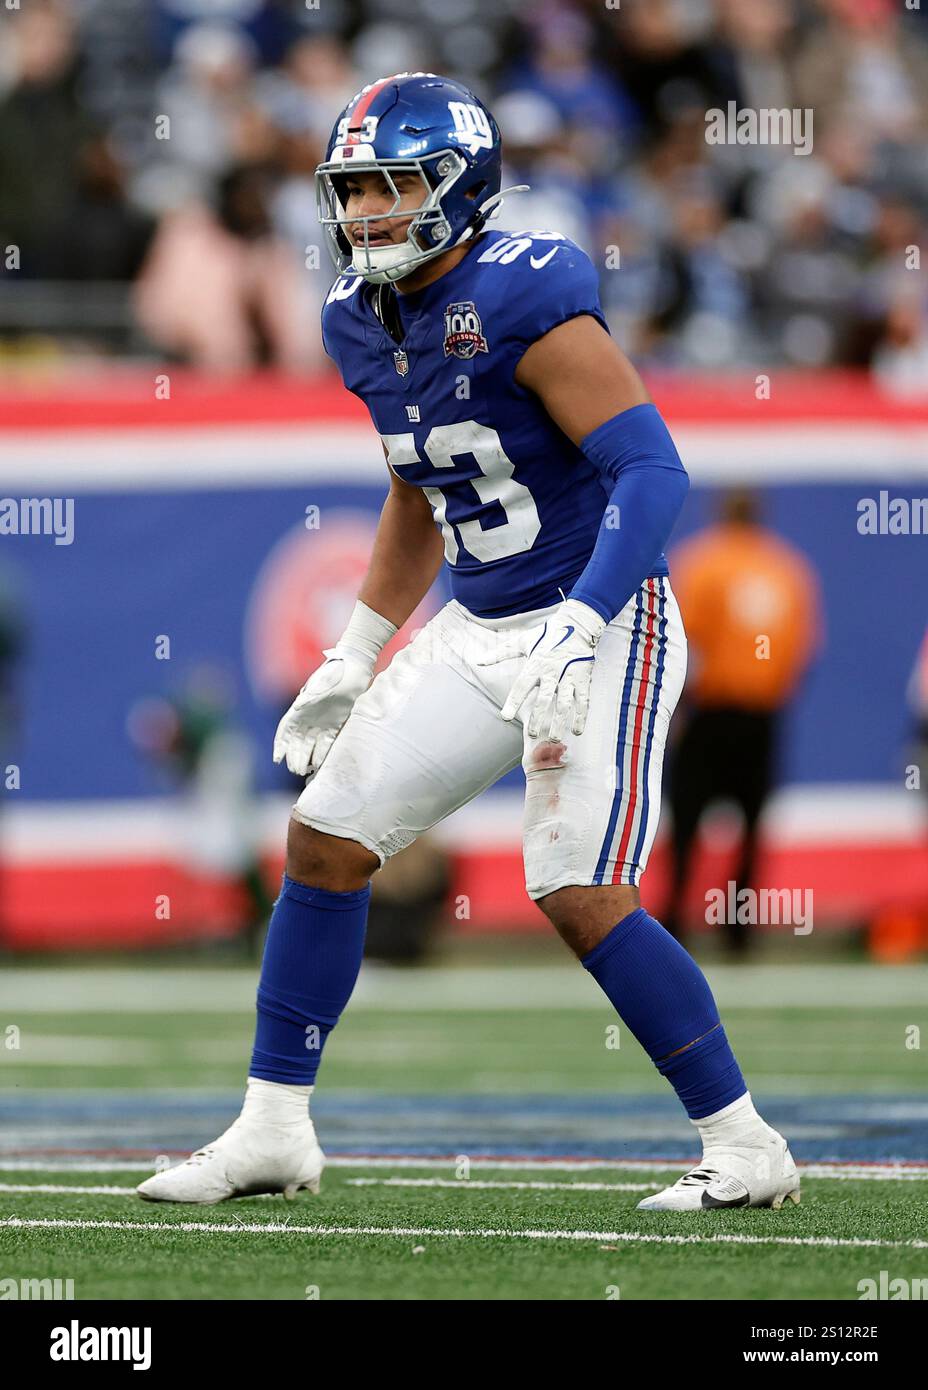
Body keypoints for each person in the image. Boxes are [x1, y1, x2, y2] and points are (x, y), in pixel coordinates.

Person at [138, 73, 799, 1214]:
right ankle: (273, 1127)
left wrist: (586, 624)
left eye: (393, 189)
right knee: (326, 839)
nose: (367, 216)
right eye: (354, 193)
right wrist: (356, 650)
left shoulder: (527, 293)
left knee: (577, 886)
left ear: (458, 188)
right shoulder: (359, 314)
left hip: (603, 612)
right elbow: (416, 488)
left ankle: (745, 1144)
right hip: (480, 619)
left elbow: (652, 471)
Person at [665, 490, 821, 952]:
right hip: (762, 713)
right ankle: (739, 928)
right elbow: (801, 648)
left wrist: (676, 708)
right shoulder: (787, 569)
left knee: (687, 818)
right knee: (752, 821)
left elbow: (683, 640)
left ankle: (675, 920)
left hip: (709, 710)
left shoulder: (700, 563)